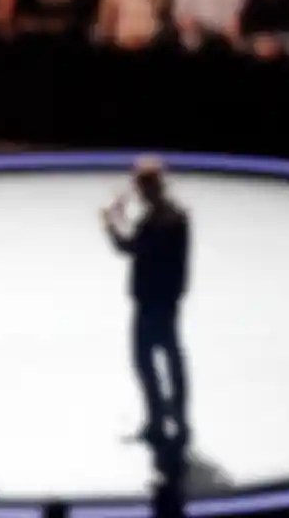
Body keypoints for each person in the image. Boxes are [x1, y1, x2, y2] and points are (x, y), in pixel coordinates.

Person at [102, 156, 191, 445]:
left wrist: (111, 222)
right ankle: (177, 416)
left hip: (150, 301)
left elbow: (130, 246)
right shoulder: (177, 216)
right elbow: (147, 244)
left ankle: (157, 419)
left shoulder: (156, 221)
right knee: (172, 357)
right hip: (168, 299)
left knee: (145, 361)